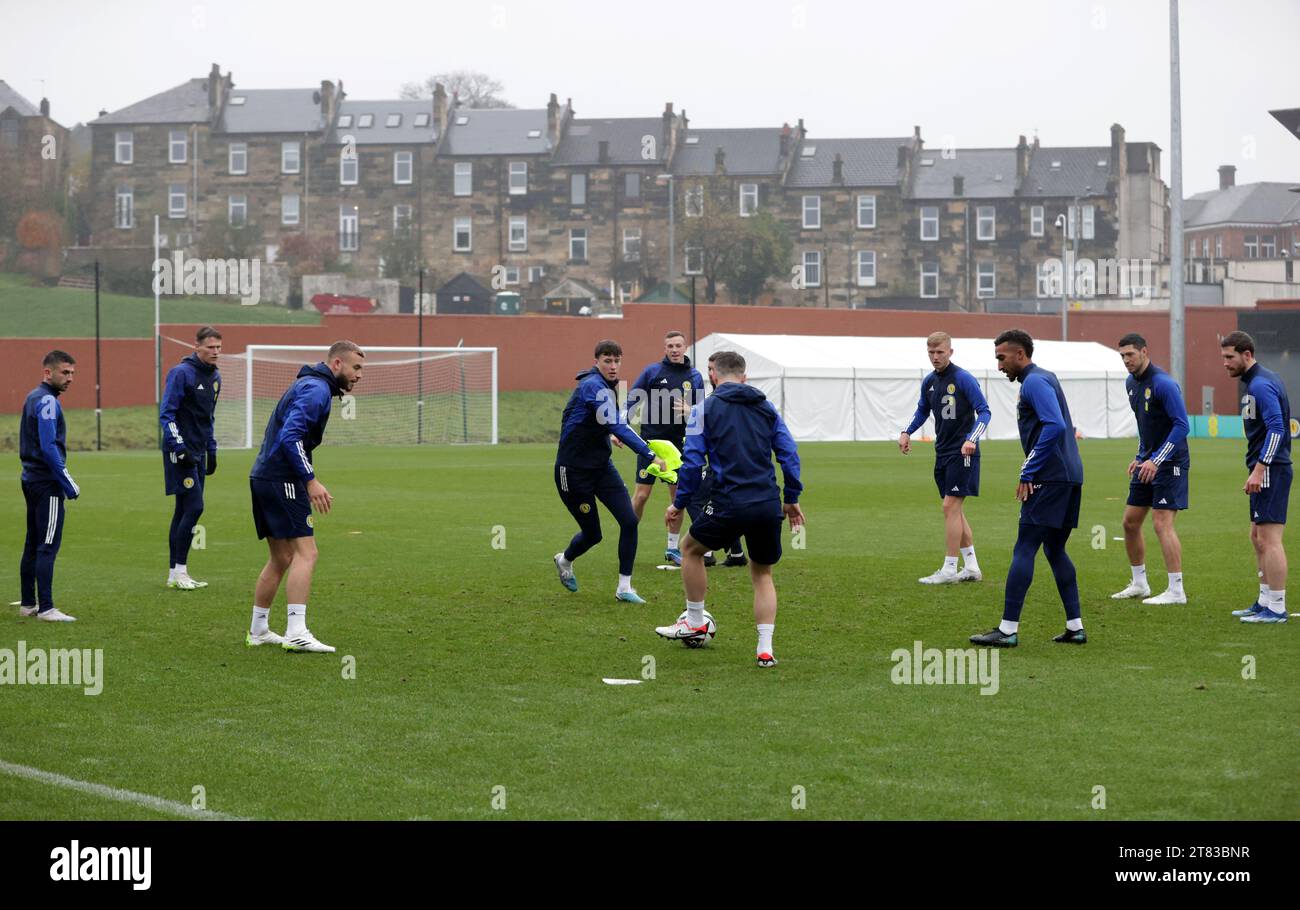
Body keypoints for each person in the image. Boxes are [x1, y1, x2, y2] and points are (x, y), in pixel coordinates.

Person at [654, 351, 804, 667]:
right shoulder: (766, 408)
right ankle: (765, 649)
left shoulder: (704, 410)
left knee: (690, 549)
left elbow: (693, 464)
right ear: (744, 378)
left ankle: (694, 620)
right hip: (766, 503)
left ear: (714, 377)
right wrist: (791, 499)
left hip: (728, 502)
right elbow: (789, 456)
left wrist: (679, 503)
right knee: (762, 572)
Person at [246, 341, 365, 652]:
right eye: (356, 368)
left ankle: (258, 630)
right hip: (281, 478)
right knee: (306, 553)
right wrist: (310, 480)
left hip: (264, 476)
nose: (359, 375)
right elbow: (291, 436)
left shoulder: (310, 384)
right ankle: (297, 631)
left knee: (282, 556)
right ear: (336, 364)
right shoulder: (317, 390)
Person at [971, 329, 1085, 648]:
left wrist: (1029, 469)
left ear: (1020, 355)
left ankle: (1007, 630)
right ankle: (1075, 626)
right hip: (1069, 475)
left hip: (1049, 478)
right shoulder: (1045, 378)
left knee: (1025, 547)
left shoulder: (1034, 382)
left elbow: (1055, 425)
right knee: (1054, 549)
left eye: (1002, 358)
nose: (999, 366)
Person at [553, 339, 666, 603]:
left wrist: (612, 435)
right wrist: (650, 453)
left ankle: (624, 587)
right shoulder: (593, 385)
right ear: (597, 362)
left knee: (629, 521)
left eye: (617, 361)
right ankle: (564, 560)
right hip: (573, 472)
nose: (613, 366)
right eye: (607, 360)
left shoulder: (606, 387)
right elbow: (615, 422)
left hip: (602, 469)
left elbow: (603, 422)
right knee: (593, 535)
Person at [898, 331, 990, 584]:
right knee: (955, 512)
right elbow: (922, 410)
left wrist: (972, 439)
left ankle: (949, 569)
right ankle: (971, 567)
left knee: (949, 507)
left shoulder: (964, 379)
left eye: (940, 352)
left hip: (963, 452)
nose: (935, 357)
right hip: (943, 452)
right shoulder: (929, 381)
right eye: (931, 352)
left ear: (951, 351)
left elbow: (984, 412)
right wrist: (907, 432)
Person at [1111, 333, 1190, 604]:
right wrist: (1141, 455)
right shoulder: (1131, 383)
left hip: (1170, 463)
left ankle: (1176, 590)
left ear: (1145, 351)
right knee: (1130, 522)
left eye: (1130, 354)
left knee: (1161, 524)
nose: (1126, 360)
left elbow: (1182, 425)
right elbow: (1146, 426)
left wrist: (1156, 459)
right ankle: (1140, 583)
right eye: (1122, 355)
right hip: (1147, 462)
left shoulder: (1164, 384)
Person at [1221, 331, 1291, 625]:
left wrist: (1261, 468)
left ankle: (1276, 607)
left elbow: (1277, 429)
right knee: (1257, 537)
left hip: (1271, 470)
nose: (1225, 363)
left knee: (1270, 539)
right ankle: (1264, 601)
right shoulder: (1255, 382)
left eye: (1229, 357)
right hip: (1263, 469)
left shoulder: (1261, 385)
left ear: (1246, 355)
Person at [628, 330, 704, 565]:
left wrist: (692, 412)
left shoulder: (694, 376)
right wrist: (621, 424)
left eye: (678, 345)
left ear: (685, 347)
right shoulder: (653, 371)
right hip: (650, 444)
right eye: (670, 345)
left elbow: (702, 412)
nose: (674, 349)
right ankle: (628, 536)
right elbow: (632, 398)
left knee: (677, 496)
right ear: (665, 348)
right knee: (641, 496)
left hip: (679, 446)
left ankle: (672, 548)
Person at [16, 350, 81, 622]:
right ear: (48, 372)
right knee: (47, 545)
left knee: (32, 542)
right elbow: (48, 446)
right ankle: (46, 608)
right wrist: (68, 482)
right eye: (65, 373)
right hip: (47, 483)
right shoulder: (47, 401)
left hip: (30, 479)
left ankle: (28, 603)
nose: (70, 378)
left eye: (72, 374)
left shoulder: (34, 397)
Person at [160, 325, 222, 590]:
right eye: (210, 347)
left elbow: (208, 417)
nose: (215, 352)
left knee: (183, 509)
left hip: (198, 451)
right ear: (196, 347)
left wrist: (211, 449)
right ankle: (181, 571)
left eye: (219, 347)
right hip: (179, 452)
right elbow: (167, 413)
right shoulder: (181, 373)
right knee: (195, 507)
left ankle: (175, 573)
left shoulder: (215, 376)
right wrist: (179, 446)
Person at [685, 352, 747, 568]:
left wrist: (691, 412)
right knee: (726, 506)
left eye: (712, 369)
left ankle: (708, 550)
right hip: (747, 473)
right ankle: (737, 553)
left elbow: (693, 458)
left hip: (724, 468)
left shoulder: (714, 402)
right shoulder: (756, 401)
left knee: (694, 499)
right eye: (708, 368)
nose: (710, 373)